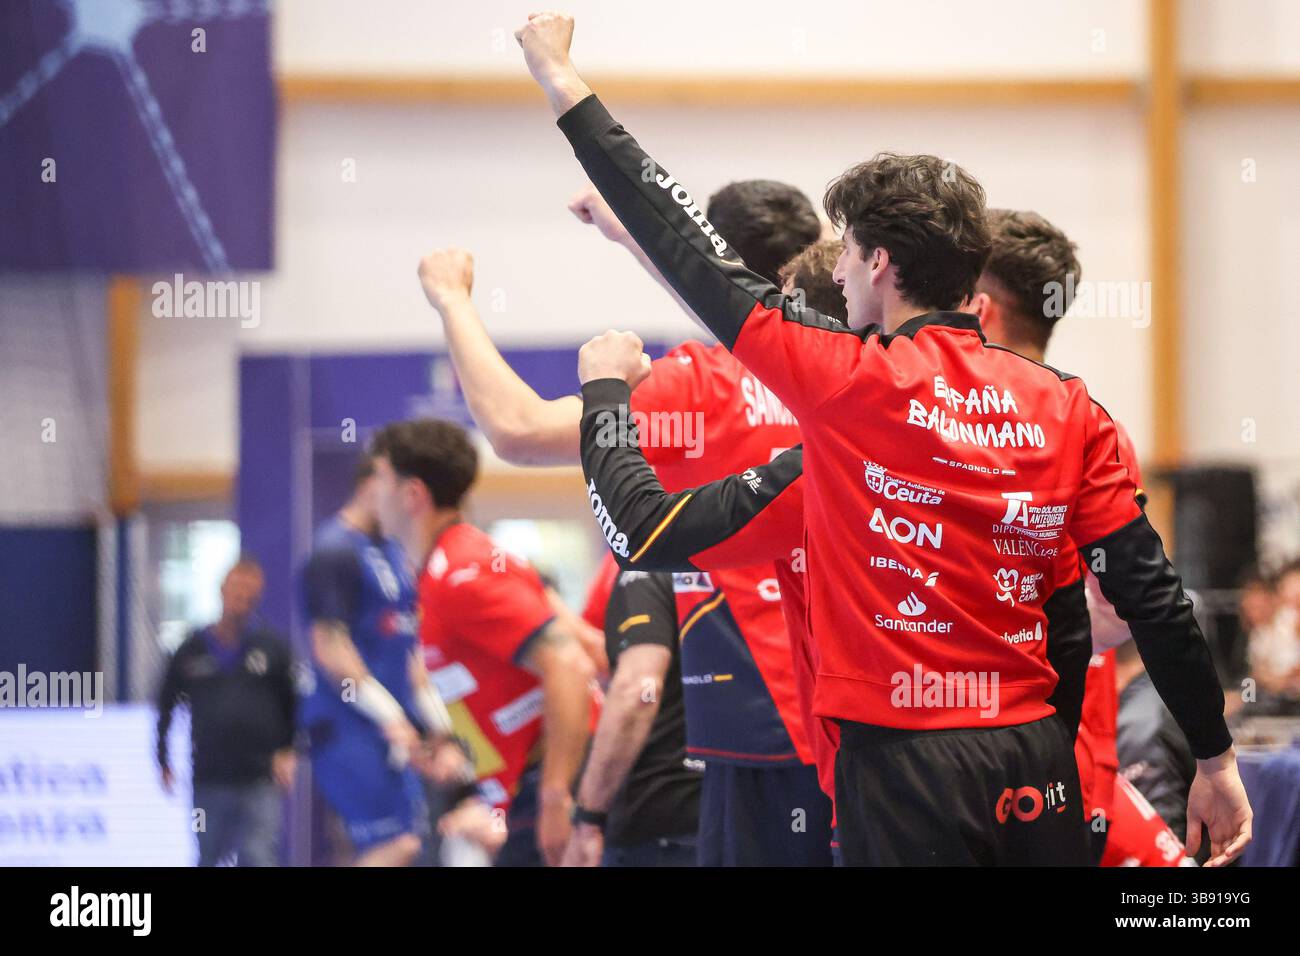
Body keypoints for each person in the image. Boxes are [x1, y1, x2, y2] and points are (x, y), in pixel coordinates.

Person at [517, 11, 1250, 866]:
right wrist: (1214, 754)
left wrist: (562, 82)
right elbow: (1145, 595)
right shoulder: (1069, 406)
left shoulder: (844, 385)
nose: (833, 269)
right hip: (1035, 763)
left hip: (902, 767)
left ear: (879, 266)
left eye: (848, 252)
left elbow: (696, 257)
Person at [417, 197, 835, 866]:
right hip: (859, 730)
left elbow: (516, 430)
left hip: (761, 740)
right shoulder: (852, 381)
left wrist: (452, 301)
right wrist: (634, 233)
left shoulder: (705, 387)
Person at [369, 418, 595, 866]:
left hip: (551, 788)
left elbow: (569, 664)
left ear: (412, 495)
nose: (370, 491)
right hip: (522, 793)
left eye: (379, 478)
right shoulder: (441, 572)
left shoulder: (461, 572)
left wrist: (555, 796)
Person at [301, 453, 482, 867]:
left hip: (395, 734)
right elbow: (330, 644)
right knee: (396, 846)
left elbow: (412, 649)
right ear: (372, 486)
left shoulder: (392, 552)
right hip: (351, 729)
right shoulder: (334, 550)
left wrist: (442, 729)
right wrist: (388, 715)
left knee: (414, 843)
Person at [156, 557, 296, 866]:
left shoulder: (272, 648)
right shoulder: (192, 649)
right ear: (222, 590)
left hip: (259, 779)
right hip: (208, 778)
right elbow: (166, 703)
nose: (243, 598)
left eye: (251, 592)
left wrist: (289, 750)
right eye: (238, 589)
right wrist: (163, 759)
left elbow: (294, 703)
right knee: (206, 853)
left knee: (258, 855)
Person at [563, 569, 702, 867]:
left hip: (659, 820)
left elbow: (638, 691)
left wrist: (588, 817)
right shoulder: (752, 557)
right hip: (747, 807)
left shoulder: (647, 569)